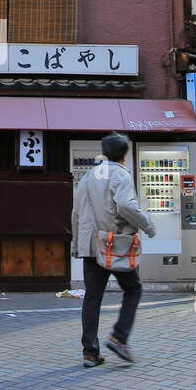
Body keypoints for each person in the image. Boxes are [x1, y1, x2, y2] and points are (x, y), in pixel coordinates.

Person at [71, 132, 156, 367]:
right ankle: (119, 337)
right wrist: (148, 225)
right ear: (125, 155)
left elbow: (76, 213)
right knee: (133, 289)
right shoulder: (120, 175)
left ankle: (90, 352)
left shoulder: (88, 176)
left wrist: (77, 244)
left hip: (90, 245)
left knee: (92, 297)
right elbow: (126, 205)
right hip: (115, 244)